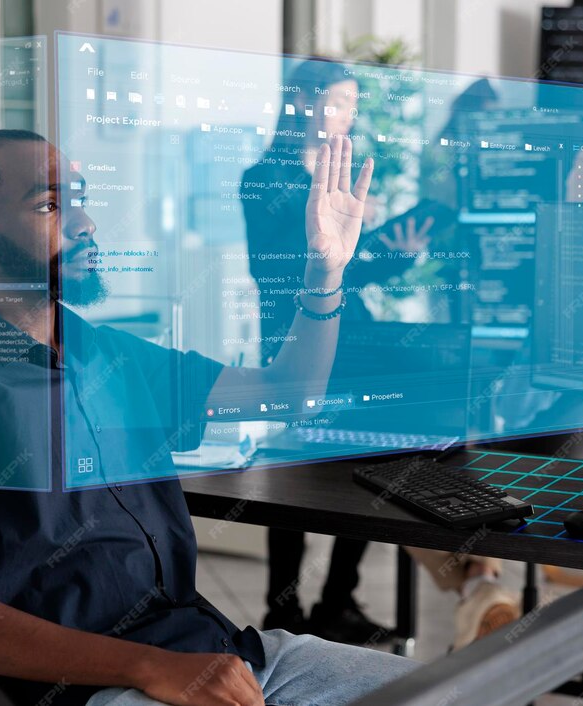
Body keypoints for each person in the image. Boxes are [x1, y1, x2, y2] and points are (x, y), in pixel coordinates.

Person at [0, 128, 419, 706]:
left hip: (216, 651)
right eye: (50, 205)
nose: (84, 223)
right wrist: (152, 668)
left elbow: (289, 395)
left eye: (80, 200)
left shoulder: (114, 356)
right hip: (97, 687)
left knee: (452, 691)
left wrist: (324, 274)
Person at [240, 59, 433, 644]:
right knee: (294, 471)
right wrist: (341, 231)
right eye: (339, 101)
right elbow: (283, 270)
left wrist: (392, 255)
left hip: (354, 337)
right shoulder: (265, 178)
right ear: (304, 101)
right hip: (297, 339)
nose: (349, 114)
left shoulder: (336, 181)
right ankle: (283, 611)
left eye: (353, 103)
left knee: (372, 462)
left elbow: (345, 270)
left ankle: (337, 600)